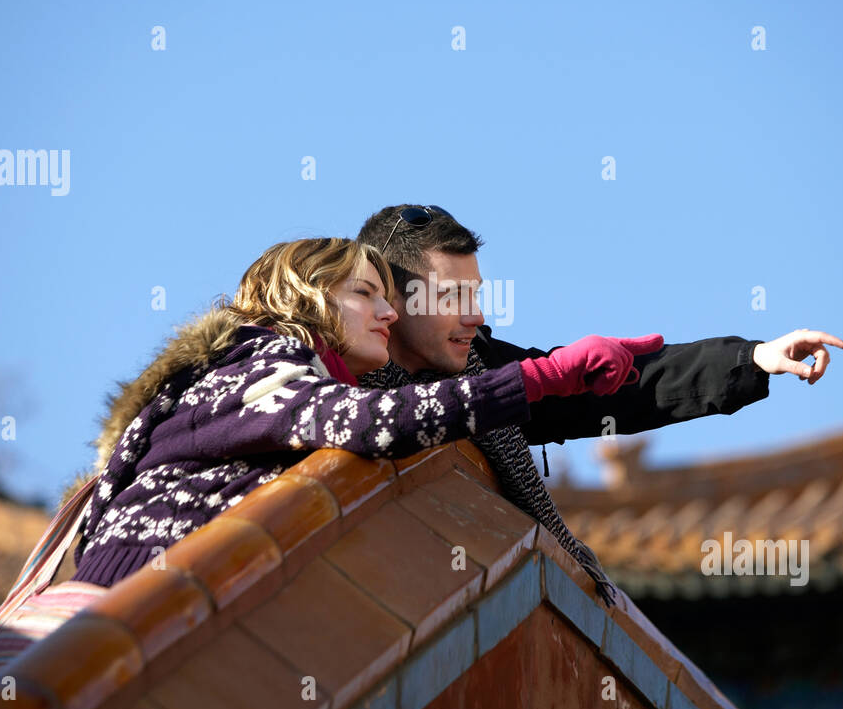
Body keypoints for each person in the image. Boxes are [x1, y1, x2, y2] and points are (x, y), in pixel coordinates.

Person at [66, 238, 663, 589]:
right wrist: (548, 376)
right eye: (363, 293)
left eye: (387, 294)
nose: (388, 313)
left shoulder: (272, 373)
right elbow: (377, 422)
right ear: (301, 296)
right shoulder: (252, 361)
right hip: (140, 591)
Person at [354, 204, 843, 606]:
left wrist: (753, 358)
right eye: (452, 296)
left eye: (476, 295)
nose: (476, 315)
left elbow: (613, 387)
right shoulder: (330, 391)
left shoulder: (487, 371)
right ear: (391, 301)